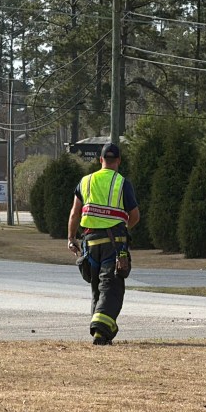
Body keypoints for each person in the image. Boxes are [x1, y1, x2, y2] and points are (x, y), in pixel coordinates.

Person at [67, 143, 140, 345]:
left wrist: (71, 239)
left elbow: (74, 213)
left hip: (89, 243)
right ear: (118, 161)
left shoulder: (85, 182)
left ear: (100, 160)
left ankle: (100, 328)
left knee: (96, 286)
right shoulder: (122, 183)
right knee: (111, 285)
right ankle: (101, 328)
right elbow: (135, 215)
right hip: (114, 244)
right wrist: (124, 229)